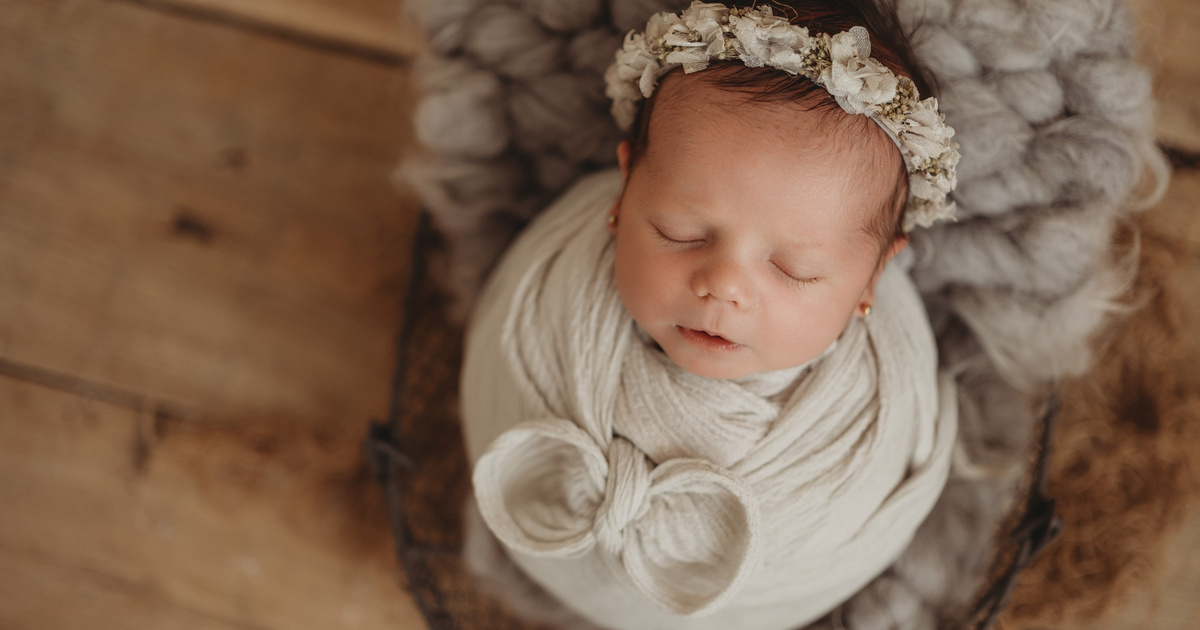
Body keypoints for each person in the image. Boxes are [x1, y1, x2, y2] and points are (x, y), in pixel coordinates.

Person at [460, 2, 960, 629]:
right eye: (680, 231)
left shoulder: (879, 416)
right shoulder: (549, 296)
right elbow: (495, 390)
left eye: (794, 269)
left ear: (874, 276)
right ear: (622, 192)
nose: (723, 286)